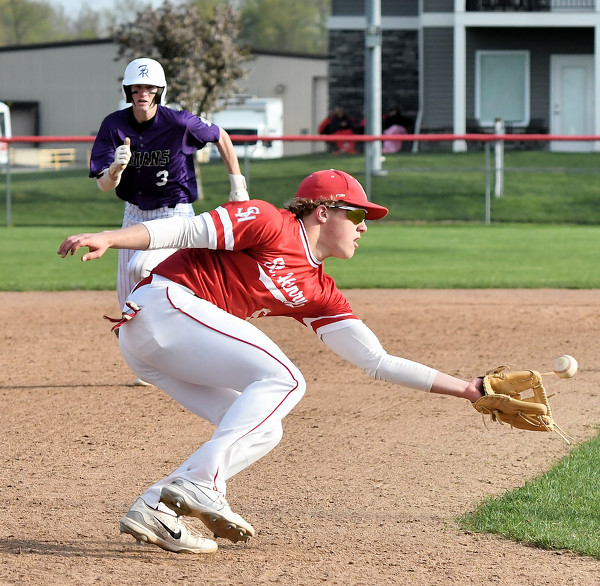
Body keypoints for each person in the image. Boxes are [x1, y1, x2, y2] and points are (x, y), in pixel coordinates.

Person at [58, 169, 484, 555]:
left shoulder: (318, 290)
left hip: (160, 343)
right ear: (323, 212)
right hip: (163, 306)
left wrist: (467, 389)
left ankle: (156, 507)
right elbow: (187, 228)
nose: (363, 227)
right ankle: (202, 483)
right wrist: (112, 238)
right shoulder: (269, 221)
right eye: (356, 215)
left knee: (261, 430)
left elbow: (376, 361)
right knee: (287, 380)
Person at [90, 57, 249, 386]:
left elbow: (221, 136)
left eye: (149, 88)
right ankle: (151, 365)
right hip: (134, 214)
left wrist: (238, 186)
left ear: (159, 91)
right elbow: (103, 185)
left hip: (174, 215)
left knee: (143, 269)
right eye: (136, 88)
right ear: (128, 91)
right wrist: (115, 171)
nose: (142, 93)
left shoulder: (179, 123)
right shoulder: (114, 125)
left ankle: (207, 350)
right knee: (128, 299)